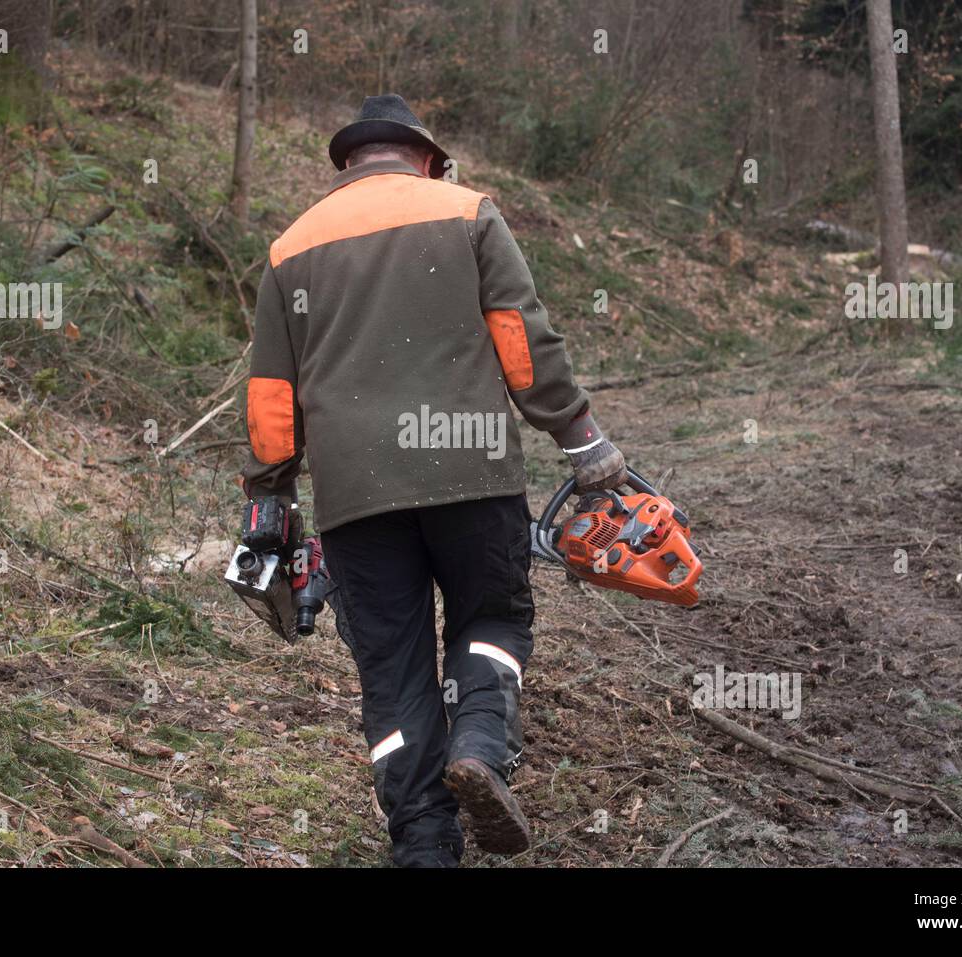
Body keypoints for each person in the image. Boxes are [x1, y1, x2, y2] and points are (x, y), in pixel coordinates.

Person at [241, 94, 626, 867]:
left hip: (356, 498)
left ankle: (424, 841)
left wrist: (268, 498)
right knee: (492, 619)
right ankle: (480, 743)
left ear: (349, 160)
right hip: (472, 473)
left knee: (392, 666)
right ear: (424, 155)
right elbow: (523, 340)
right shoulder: (468, 211)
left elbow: (270, 396)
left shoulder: (291, 249)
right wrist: (581, 438)